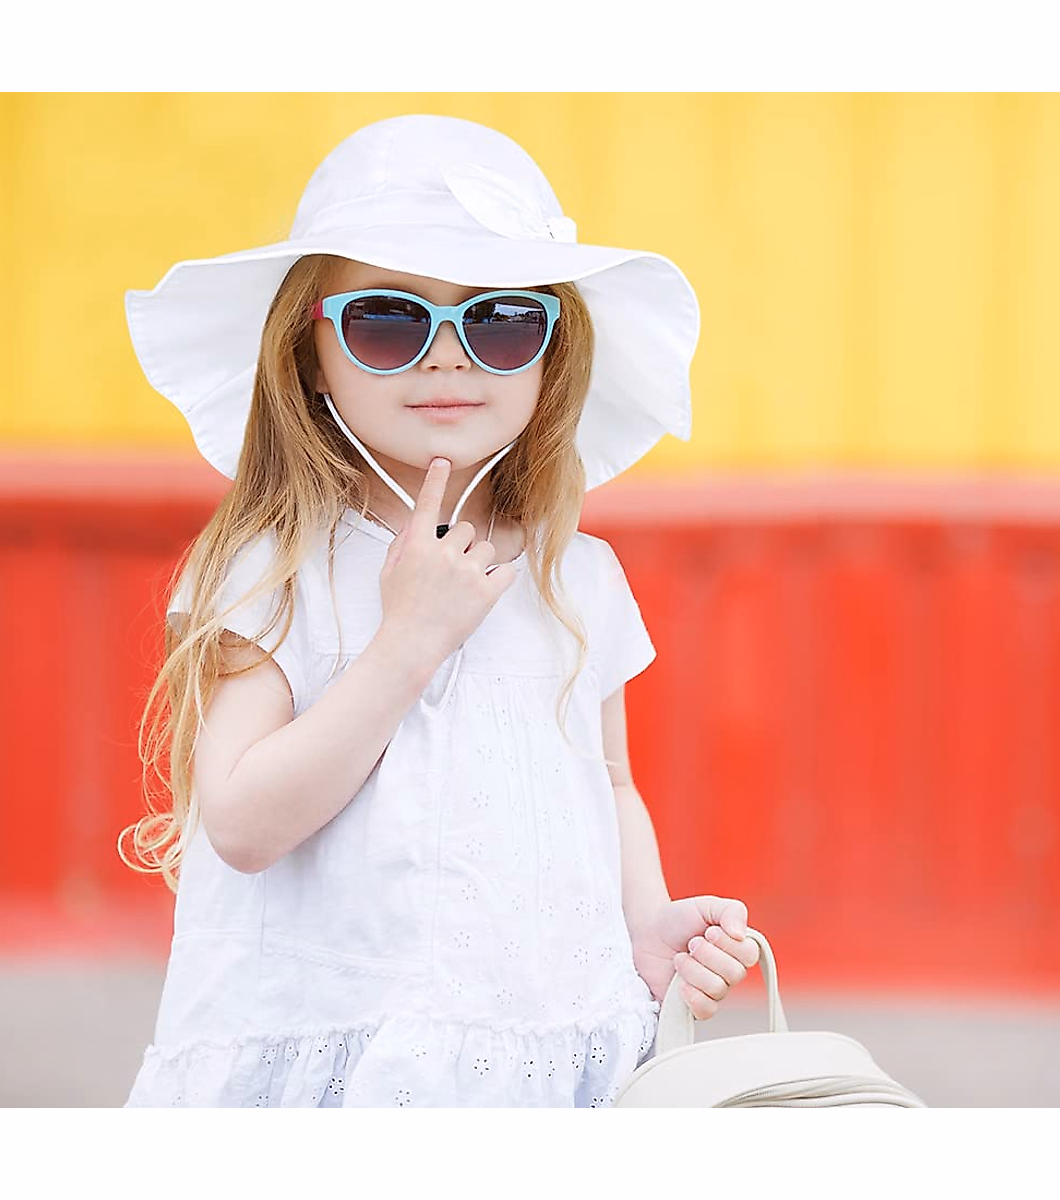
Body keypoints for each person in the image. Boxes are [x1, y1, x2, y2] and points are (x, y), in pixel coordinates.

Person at [118, 113, 759, 1108]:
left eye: (499, 321)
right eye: (388, 320)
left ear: (551, 353)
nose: (449, 358)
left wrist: (642, 919)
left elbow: (610, 785)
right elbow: (241, 823)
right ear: (309, 356)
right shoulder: (273, 568)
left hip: (539, 1049)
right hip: (345, 1060)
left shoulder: (574, 574)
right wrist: (407, 640)